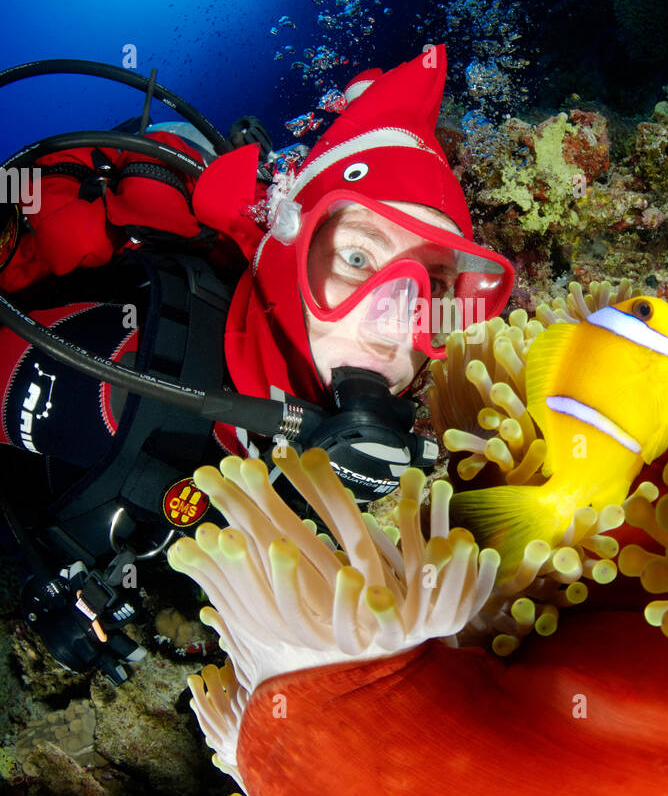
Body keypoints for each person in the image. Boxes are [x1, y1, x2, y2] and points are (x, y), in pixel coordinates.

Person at [0, 45, 514, 681]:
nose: (392, 326)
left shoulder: (400, 408)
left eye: (429, 288)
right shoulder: (117, 378)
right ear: (286, 247)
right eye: (357, 260)